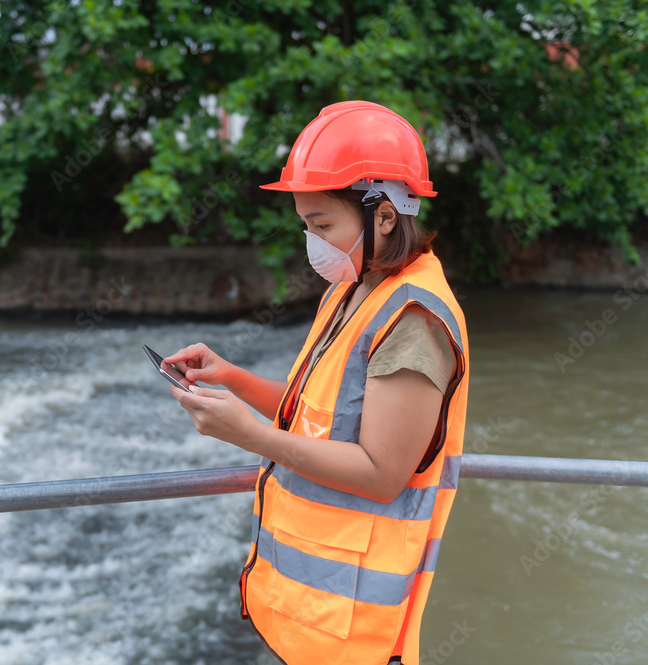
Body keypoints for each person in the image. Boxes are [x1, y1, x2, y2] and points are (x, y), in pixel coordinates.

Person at [163, 100, 470, 665]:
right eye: (307, 225)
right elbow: (317, 414)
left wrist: (250, 436)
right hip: (304, 616)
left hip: (354, 635)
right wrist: (229, 375)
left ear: (383, 215)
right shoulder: (354, 286)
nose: (313, 242)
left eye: (322, 225)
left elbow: (382, 474)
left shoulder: (414, 322)